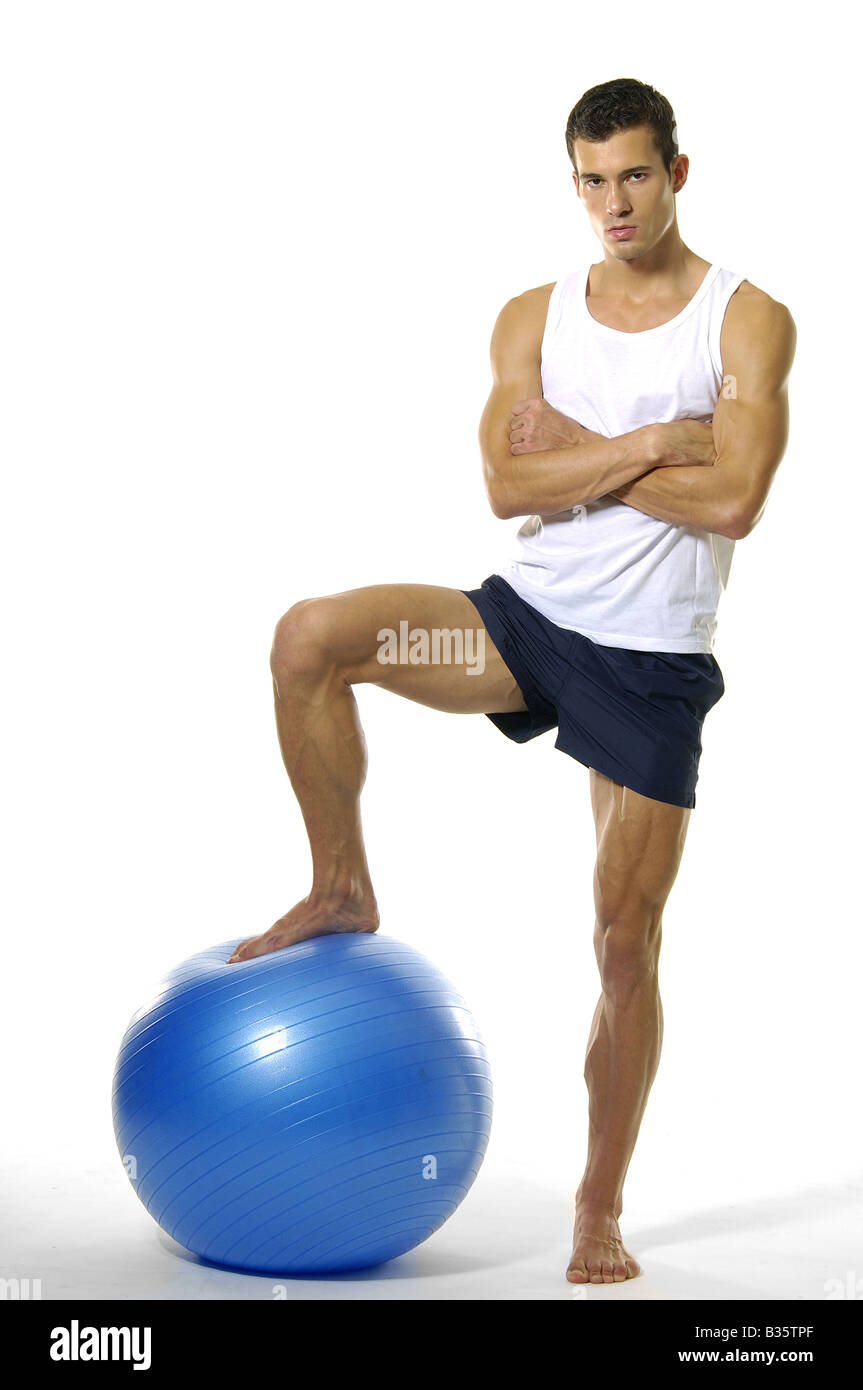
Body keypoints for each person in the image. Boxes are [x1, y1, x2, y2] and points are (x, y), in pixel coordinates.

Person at [227, 77, 796, 1285]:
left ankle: (596, 1208)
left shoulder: (744, 325)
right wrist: (652, 440)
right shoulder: (531, 317)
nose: (613, 202)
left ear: (676, 174)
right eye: (591, 181)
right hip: (521, 631)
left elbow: (735, 500)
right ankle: (338, 885)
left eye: (633, 175)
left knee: (622, 941)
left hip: (647, 672)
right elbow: (505, 489)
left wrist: (577, 461)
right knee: (307, 642)